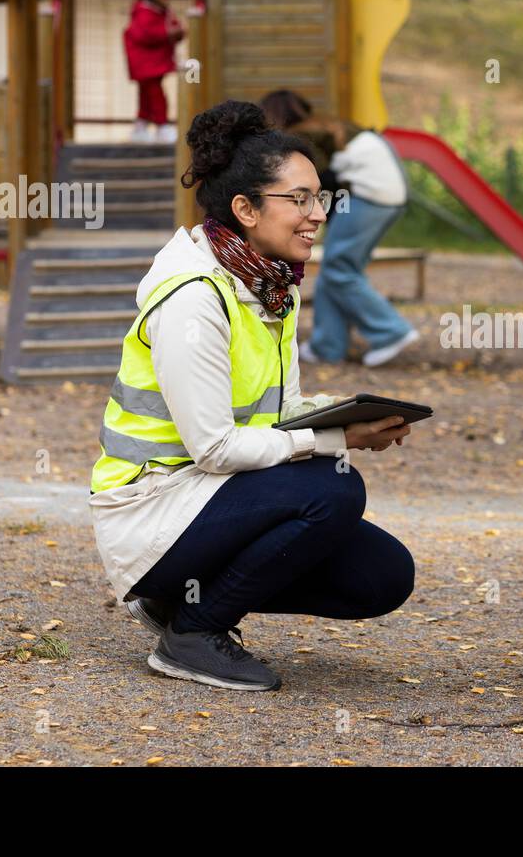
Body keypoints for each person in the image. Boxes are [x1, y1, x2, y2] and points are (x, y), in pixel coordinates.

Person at [89, 100, 415, 692]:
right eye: (299, 200)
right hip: (153, 505)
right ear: (245, 208)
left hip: (209, 498)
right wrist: (339, 438)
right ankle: (194, 632)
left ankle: (179, 599)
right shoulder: (194, 297)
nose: (317, 213)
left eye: (320, 196)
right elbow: (214, 446)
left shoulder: (267, 284)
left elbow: (273, 410)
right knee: (334, 486)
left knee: (384, 576)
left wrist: (347, 411)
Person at [260, 89, 419, 367]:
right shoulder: (322, 124)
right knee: (336, 269)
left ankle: (391, 332)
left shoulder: (301, 136)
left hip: (369, 194)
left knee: (339, 269)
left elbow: (319, 181)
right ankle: (327, 346)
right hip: (384, 193)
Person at [123, 0, 184, 143]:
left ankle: (141, 126)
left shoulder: (162, 11)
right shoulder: (144, 11)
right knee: (156, 94)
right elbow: (146, 34)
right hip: (146, 61)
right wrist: (171, 33)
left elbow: (171, 28)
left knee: (146, 94)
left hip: (152, 61)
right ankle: (162, 125)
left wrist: (177, 32)